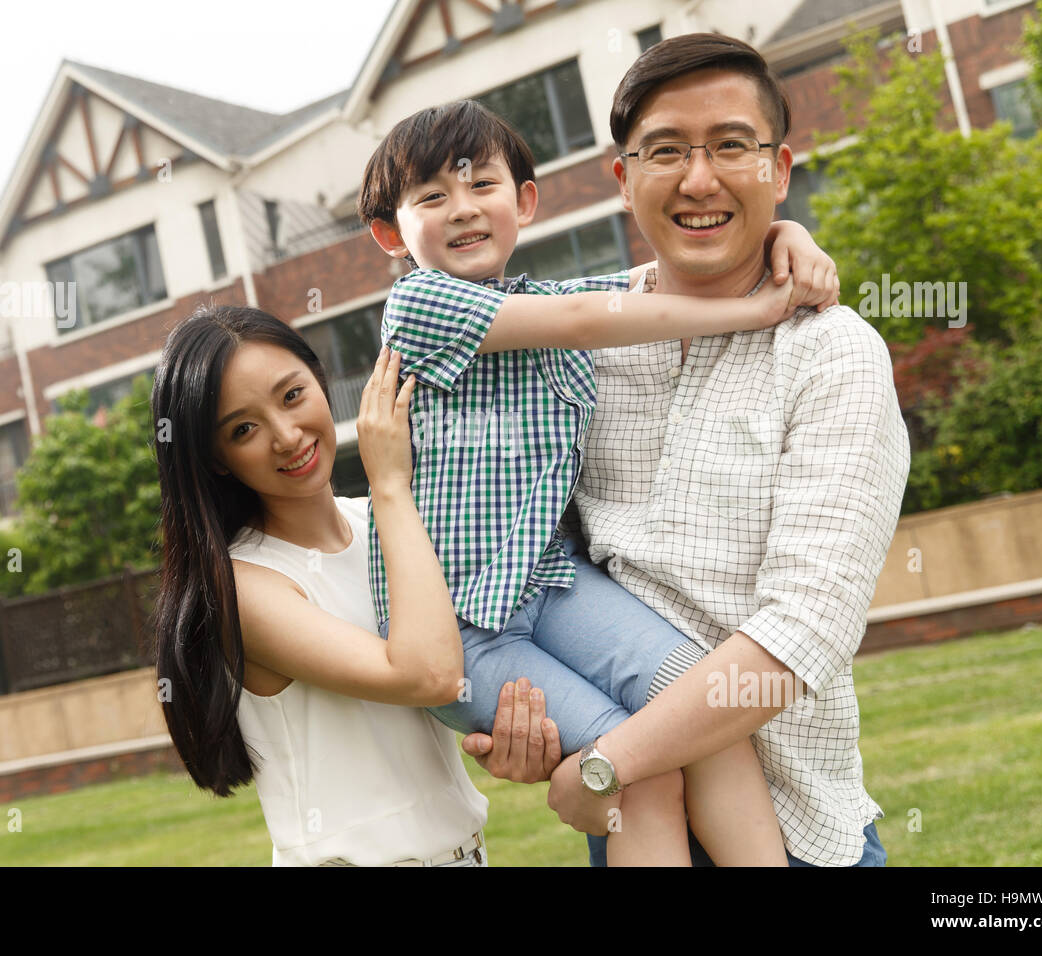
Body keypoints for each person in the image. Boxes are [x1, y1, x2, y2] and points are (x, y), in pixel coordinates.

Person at [463, 33, 910, 869]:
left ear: (779, 170)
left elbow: (801, 636)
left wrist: (605, 764)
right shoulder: (576, 336)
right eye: (666, 150)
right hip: (636, 819)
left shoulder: (834, 353)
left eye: (731, 146)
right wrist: (517, 709)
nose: (699, 179)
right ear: (622, 176)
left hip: (796, 828)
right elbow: (516, 540)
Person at [356, 98, 841, 864]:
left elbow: (654, 286)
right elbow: (593, 320)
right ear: (391, 234)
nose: (462, 210)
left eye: (482, 185)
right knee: (631, 774)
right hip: (460, 628)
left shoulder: (544, 302)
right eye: (431, 198)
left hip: (551, 583)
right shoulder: (418, 305)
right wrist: (758, 312)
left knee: (704, 703)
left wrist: (784, 230)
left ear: (524, 202)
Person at [150, 305, 492, 866]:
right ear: (216, 459)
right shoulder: (245, 586)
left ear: (319, 378)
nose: (287, 436)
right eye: (244, 429)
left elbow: (459, 675)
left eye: (291, 395)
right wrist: (390, 483)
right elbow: (427, 675)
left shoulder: (381, 526)